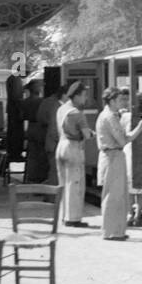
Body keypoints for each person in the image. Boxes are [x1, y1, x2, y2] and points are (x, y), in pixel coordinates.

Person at [95, 86, 142, 240]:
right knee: (113, 196)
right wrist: (139, 128)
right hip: (113, 156)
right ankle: (111, 231)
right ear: (112, 100)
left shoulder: (109, 115)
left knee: (117, 195)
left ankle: (116, 231)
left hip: (113, 156)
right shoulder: (110, 117)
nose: (123, 102)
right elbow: (123, 140)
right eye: (120, 99)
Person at [55, 81, 95, 227]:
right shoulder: (77, 114)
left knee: (63, 183)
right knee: (75, 184)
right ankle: (73, 218)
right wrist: (92, 133)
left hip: (61, 146)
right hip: (73, 148)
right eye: (84, 95)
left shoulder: (61, 109)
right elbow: (86, 134)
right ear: (76, 96)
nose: (85, 98)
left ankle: (63, 216)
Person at [36, 85, 65, 186]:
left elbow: (41, 118)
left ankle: (52, 196)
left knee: (55, 172)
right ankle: (52, 198)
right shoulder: (58, 108)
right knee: (55, 173)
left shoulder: (50, 103)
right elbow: (54, 129)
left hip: (49, 142)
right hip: (55, 145)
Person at [23, 81, 47, 182]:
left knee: (32, 156)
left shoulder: (25, 102)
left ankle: (31, 177)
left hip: (30, 129)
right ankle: (39, 178)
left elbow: (22, 116)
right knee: (41, 156)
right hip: (41, 130)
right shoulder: (42, 101)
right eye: (40, 87)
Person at [5, 74, 24, 163]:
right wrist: (21, 110)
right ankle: (16, 154)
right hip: (15, 111)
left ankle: (13, 153)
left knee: (12, 132)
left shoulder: (12, 78)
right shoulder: (16, 79)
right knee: (17, 133)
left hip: (12, 110)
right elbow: (16, 97)